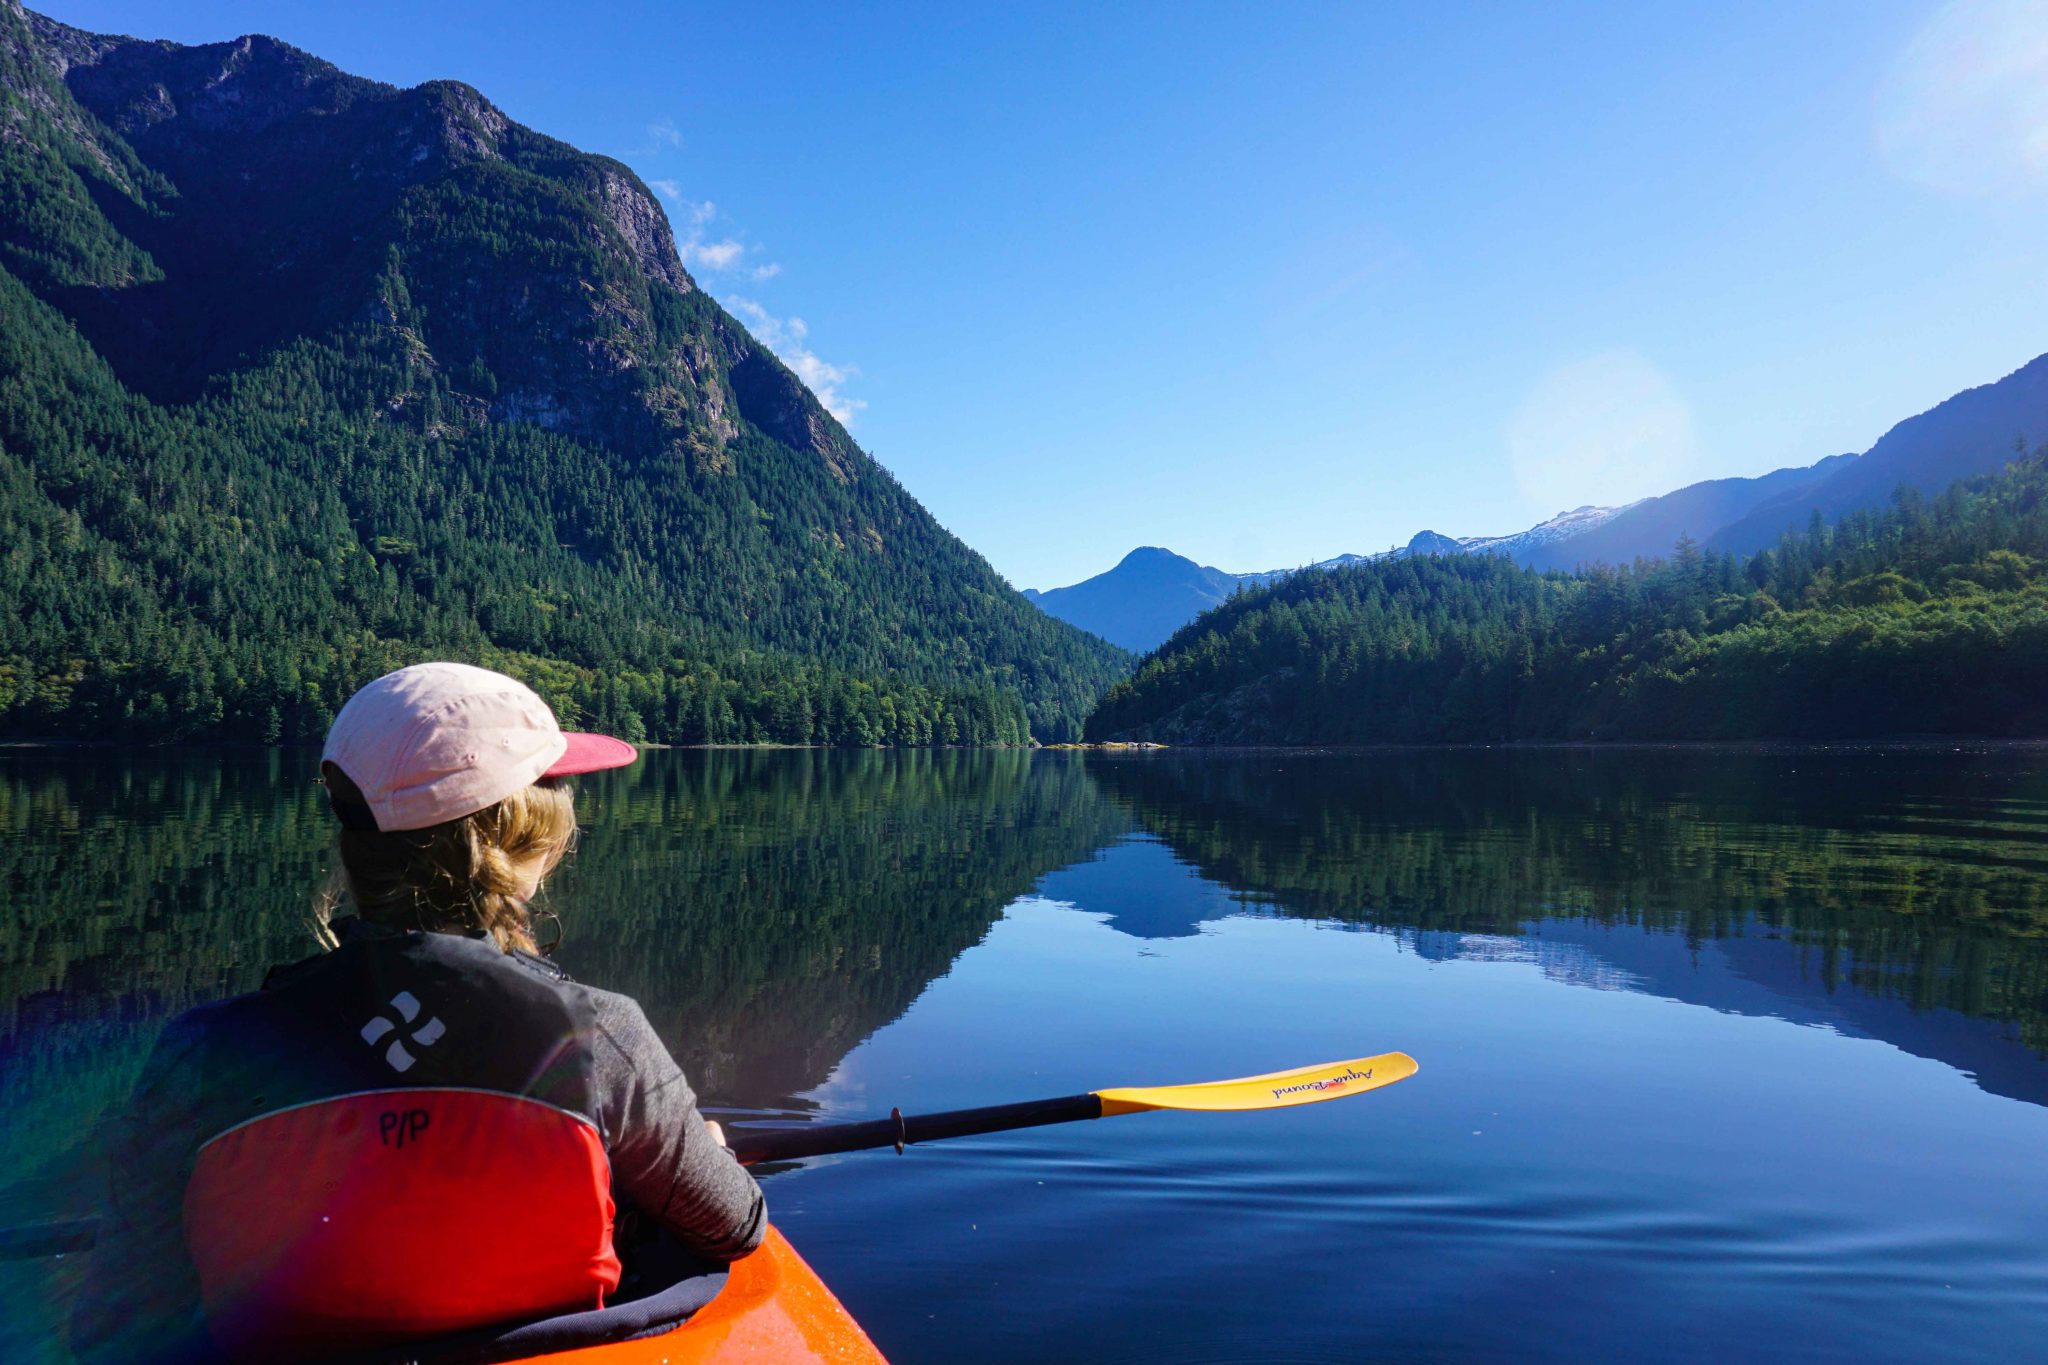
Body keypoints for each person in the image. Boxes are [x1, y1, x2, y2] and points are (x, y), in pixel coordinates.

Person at [73, 662, 765, 1363]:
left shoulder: (197, 1053)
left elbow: (121, 1313)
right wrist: (701, 1150)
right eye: (555, 790)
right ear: (520, 838)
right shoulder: (597, 1034)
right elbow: (736, 1225)